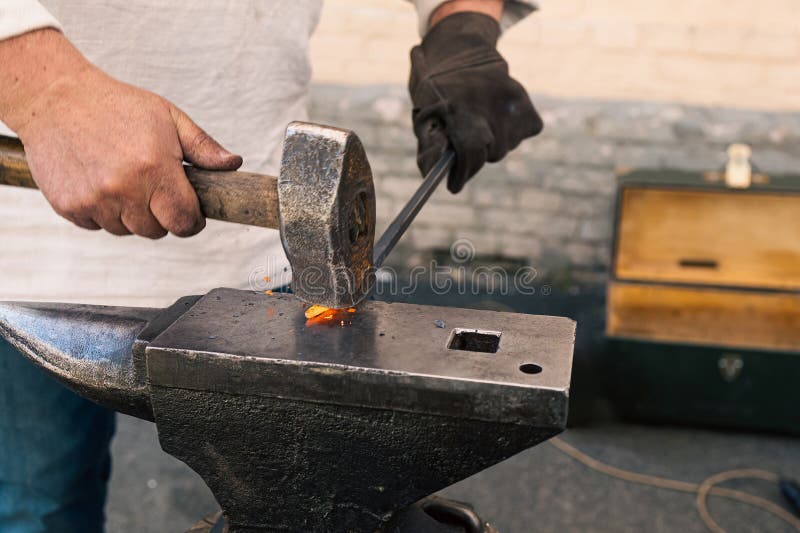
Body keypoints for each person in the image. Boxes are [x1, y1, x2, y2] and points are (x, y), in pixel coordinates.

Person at [0, 1, 542, 530]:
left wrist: (463, 25)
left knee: (311, 498)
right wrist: (48, 93)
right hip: (40, 261)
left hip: (271, 274)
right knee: (41, 505)